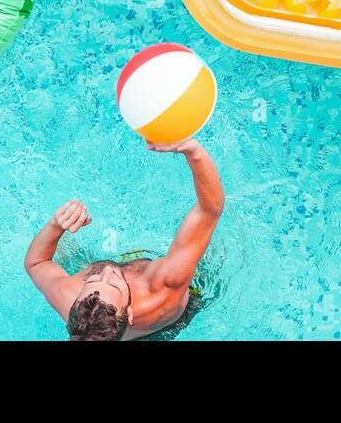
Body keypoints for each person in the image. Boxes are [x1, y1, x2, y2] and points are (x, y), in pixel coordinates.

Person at [24, 138, 223, 341]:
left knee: (66, 246)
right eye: (114, 285)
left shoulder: (69, 297)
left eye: (93, 280)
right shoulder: (164, 286)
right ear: (129, 314)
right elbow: (209, 210)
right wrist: (194, 152)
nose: (107, 272)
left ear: (76, 302)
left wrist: (56, 225)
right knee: (212, 252)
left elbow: (36, 262)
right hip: (166, 324)